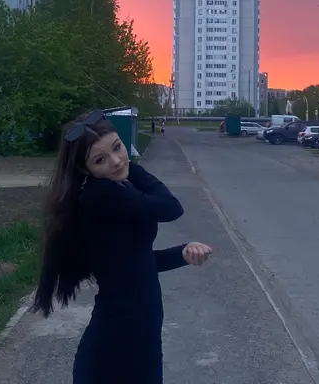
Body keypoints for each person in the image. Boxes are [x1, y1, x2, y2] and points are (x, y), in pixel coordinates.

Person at [32, 110, 212, 384]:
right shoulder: (101, 195)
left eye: (117, 147)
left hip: (137, 337)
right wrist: (133, 168)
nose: (115, 161)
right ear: (85, 169)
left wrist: (181, 253)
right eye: (100, 160)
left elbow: (135, 262)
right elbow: (171, 207)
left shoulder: (116, 189)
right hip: (117, 348)